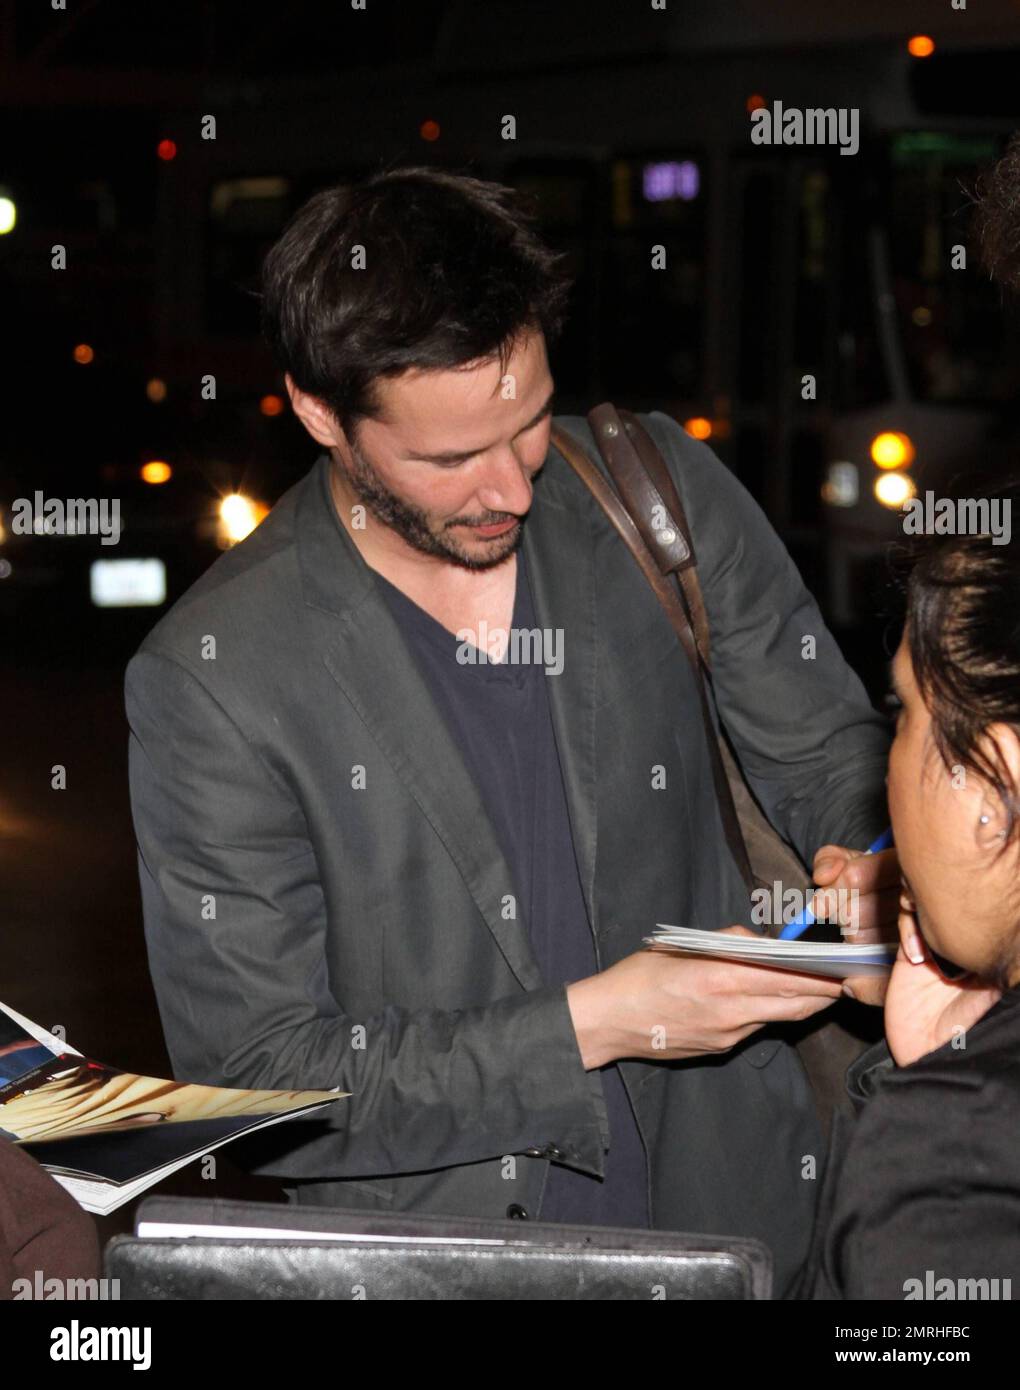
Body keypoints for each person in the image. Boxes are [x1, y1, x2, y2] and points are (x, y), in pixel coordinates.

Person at [125, 166, 896, 1297]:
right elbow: (256, 1096)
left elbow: (841, 758)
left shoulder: (653, 493)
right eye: (447, 460)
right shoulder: (216, 679)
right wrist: (597, 1022)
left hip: (749, 1229)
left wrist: (875, 867)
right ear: (321, 413)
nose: (512, 488)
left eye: (529, 424)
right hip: (452, 1270)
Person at [797, 480, 1020, 1298]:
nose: (885, 768)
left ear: (995, 785)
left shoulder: (954, 1174)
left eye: (903, 715)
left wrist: (928, 1106)